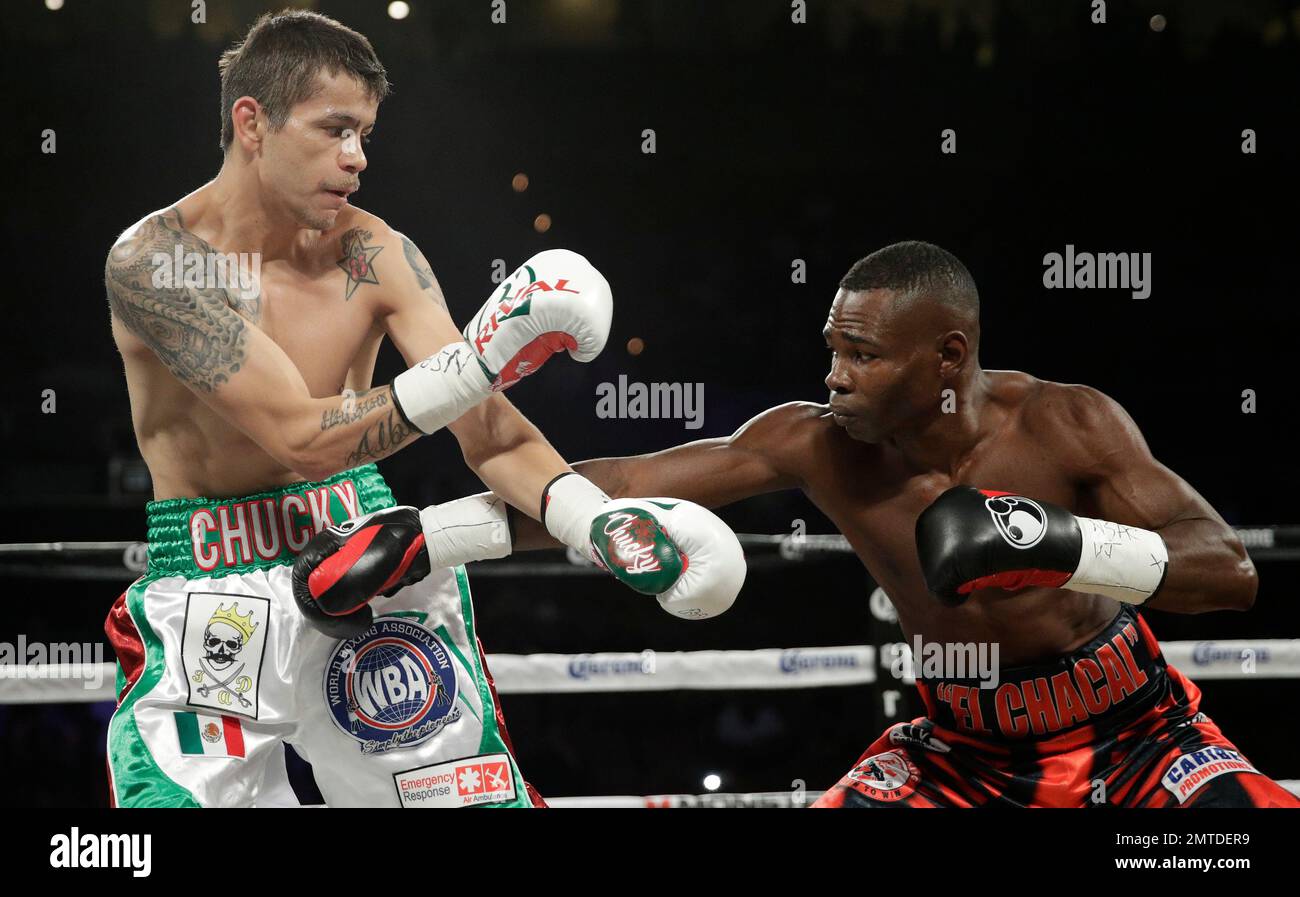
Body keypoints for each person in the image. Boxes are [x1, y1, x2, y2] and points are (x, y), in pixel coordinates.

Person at [390, 239, 1298, 807]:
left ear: (949, 355)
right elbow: (618, 483)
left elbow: (1228, 569)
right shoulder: (817, 444)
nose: (835, 377)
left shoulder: (1067, 423)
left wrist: (1060, 543)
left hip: (1140, 736)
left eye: (861, 356)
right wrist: (426, 531)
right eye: (833, 349)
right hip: (959, 756)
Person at [103, 9, 743, 808]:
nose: (357, 158)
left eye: (366, 134)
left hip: (371, 548)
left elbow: (490, 430)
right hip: (212, 580)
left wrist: (589, 519)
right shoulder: (158, 263)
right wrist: (479, 359)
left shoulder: (377, 254)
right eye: (335, 129)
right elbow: (301, 437)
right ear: (252, 122)